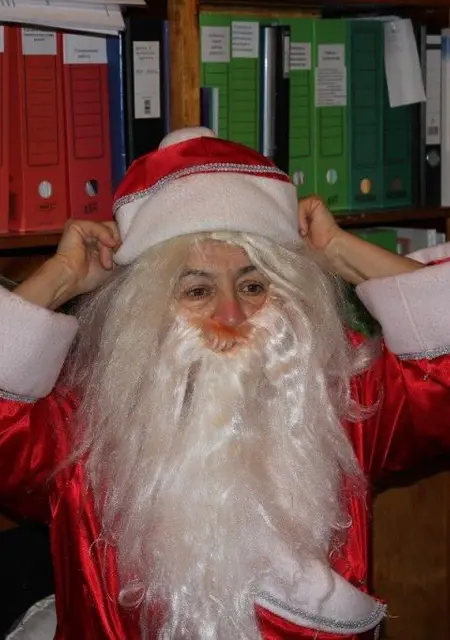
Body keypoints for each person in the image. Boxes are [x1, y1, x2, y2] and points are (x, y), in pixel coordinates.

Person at [1, 126, 450, 640]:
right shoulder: (82, 435)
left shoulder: (339, 405)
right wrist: (60, 276)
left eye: (253, 285)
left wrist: (342, 254)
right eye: (197, 290)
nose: (232, 315)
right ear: (145, 311)